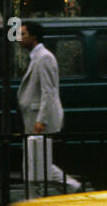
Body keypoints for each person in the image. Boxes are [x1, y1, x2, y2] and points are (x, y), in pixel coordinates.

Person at [18, 21, 80, 193]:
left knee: (37, 162)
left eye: (22, 34)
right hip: (33, 116)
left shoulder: (44, 57)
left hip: (38, 118)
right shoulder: (37, 57)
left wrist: (41, 120)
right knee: (33, 162)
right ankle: (35, 198)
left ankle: (72, 186)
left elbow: (49, 91)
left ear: (34, 36)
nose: (19, 38)